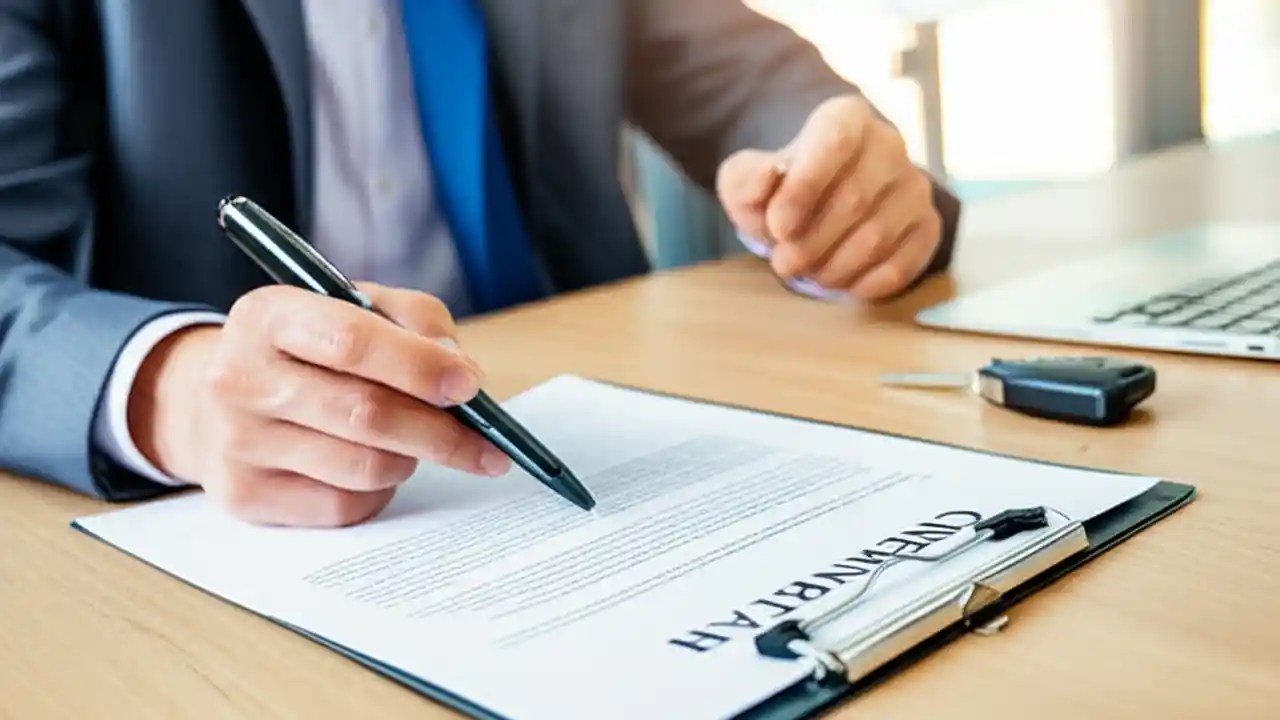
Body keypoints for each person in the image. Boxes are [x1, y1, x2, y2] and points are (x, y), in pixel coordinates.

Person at [0, 1, 960, 526]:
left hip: (586, 416)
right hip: (242, 521)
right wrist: (172, 385)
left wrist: (837, 175)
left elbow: (749, 75)